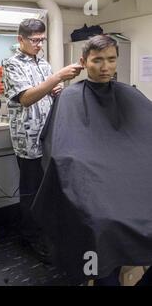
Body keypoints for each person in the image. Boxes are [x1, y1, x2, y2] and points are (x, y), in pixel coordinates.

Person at [32, 35, 152, 285]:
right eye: (97, 60)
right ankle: (104, 275)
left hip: (133, 189)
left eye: (111, 59)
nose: (105, 67)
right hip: (95, 193)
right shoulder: (68, 98)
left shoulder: (130, 95)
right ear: (84, 62)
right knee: (100, 225)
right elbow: (62, 154)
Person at [2, 18, 83, 260]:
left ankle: (47, 231)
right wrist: (56, 78)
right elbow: (25, 98)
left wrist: (55, 88)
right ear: (20, 40)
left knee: (48, 189)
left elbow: (48, 91)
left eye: (42, 40)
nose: (39, 45)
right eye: (34, 40)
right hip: (28, 140)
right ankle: (30, 236)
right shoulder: (11, 64)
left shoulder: (44, 64)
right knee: (31, 191)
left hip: (48, 136)